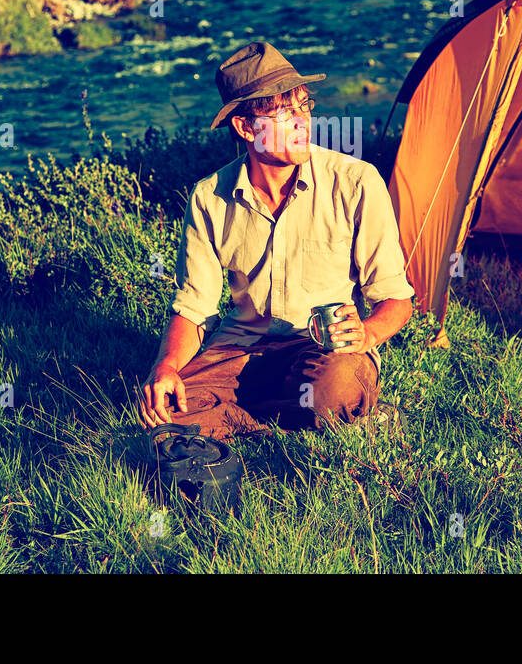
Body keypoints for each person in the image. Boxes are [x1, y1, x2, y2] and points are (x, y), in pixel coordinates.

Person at [137, 41, 415, 439]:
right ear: (246, 127)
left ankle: (254, 418)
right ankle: (298, 421)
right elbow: (193, 310)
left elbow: (396, 300)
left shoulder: (356, 182)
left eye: (304, 106)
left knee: (331, 392)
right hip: (241, 350)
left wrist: (367, 334)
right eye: (284, 112)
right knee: (163, 413)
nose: (303, 121)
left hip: (324, 352)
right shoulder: (208, 197)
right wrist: (165, 367)